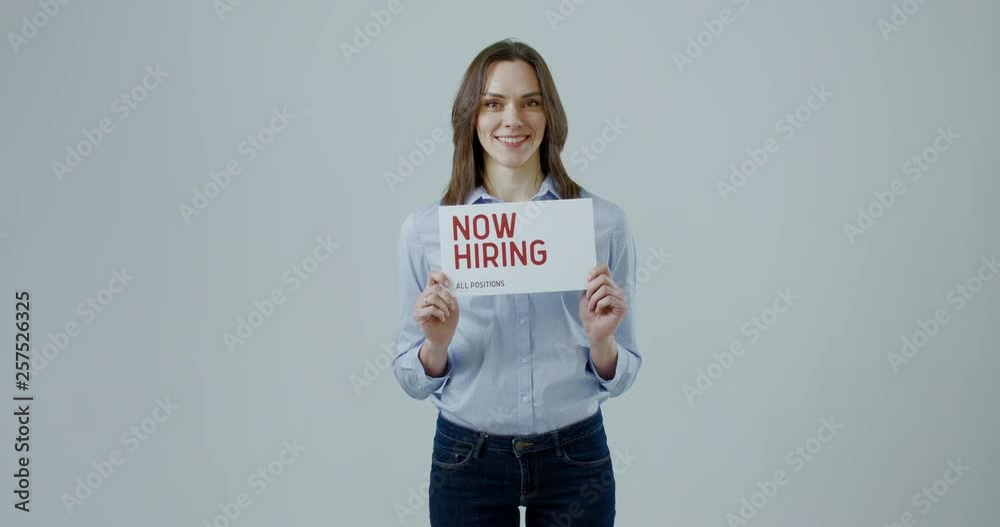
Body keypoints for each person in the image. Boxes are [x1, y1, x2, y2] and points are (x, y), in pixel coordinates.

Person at [392, 38, 642, 526]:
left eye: (531, 101)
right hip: (467, 460)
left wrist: (602, 342)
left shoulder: (603, 224)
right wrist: (435, 347)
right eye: (493, 103)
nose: (513, 119)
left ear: (550, 116)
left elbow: (624, 371)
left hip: (575, 455)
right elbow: (409, 375)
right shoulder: (425, 231)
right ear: (471, 116)